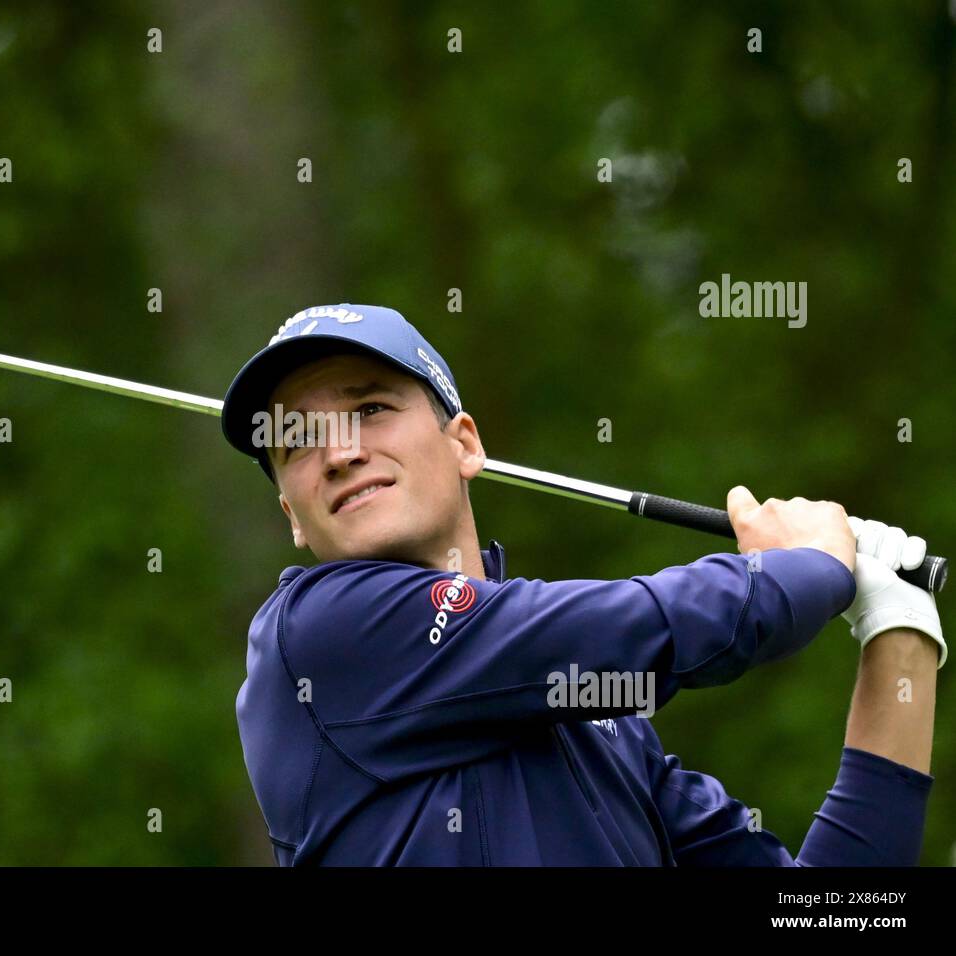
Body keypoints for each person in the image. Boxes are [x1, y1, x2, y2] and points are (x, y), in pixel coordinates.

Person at [220, 303, 945, 866]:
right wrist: (812, 564)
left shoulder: (607, 731)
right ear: (292, 513)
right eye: (299, 441)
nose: (340, 453)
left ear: (464, 442)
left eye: (370, 409)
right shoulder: (317, 635)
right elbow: (653, 624)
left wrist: (899, 634)